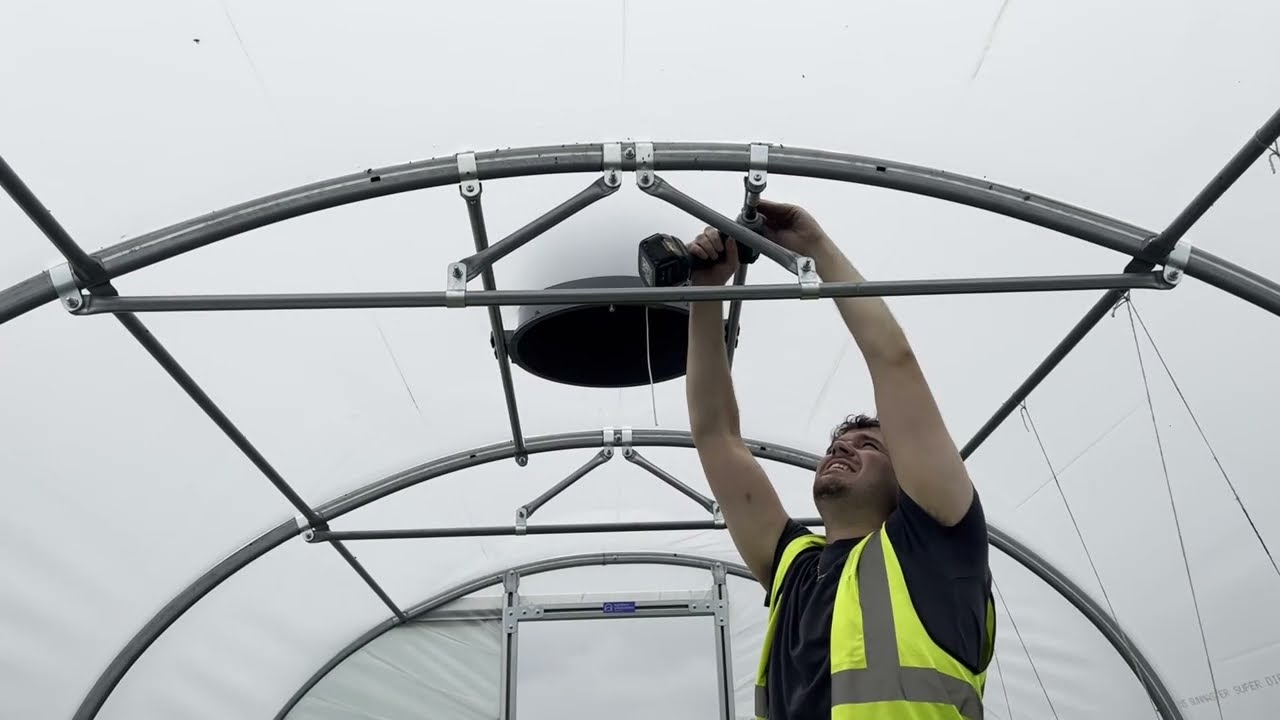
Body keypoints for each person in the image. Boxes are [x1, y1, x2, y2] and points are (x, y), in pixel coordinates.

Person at [684, 199, 996, 719]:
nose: (843, 447)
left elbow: (891, 359)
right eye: (835, 446)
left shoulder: (938, 549)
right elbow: (715, 435)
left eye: (869, 445)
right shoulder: (795, 568)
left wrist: (815, 250)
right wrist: (707, 292)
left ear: (909, 483)